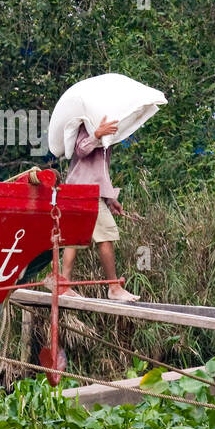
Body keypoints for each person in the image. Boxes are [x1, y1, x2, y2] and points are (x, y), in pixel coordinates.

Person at [51, 115, 140, 302]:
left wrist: (110, 199)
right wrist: (97, 134)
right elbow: (80, 149)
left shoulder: (106, 132)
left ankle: (64, 285)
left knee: (74, 239)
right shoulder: (88, 123)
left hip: (81, 190)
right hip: (84, 191)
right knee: (106, 235)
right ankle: (114, 287)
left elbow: (100, 171)